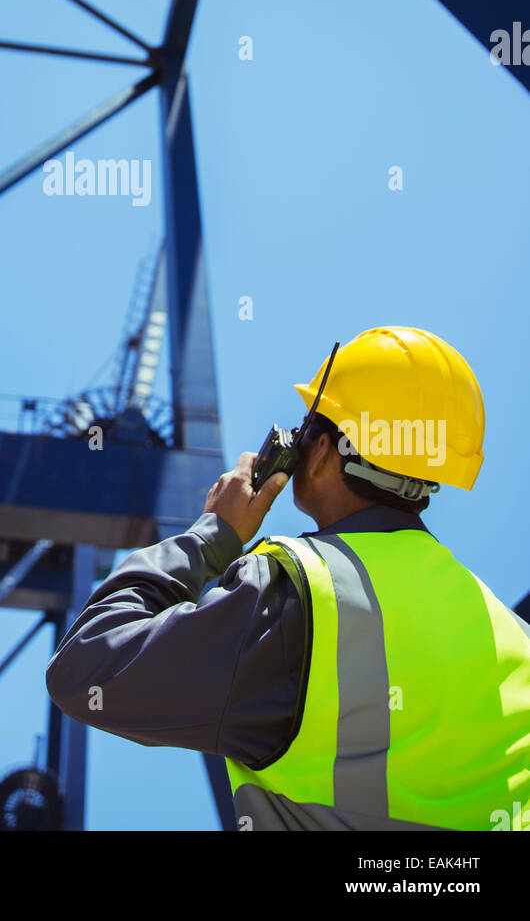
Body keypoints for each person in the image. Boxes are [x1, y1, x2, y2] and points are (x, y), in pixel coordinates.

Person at [45, 326, 530, 830]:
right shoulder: (514, 637)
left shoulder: (299, 590)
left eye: (304, 430)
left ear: (319, 452)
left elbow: (84, 669)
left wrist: (212, 536)